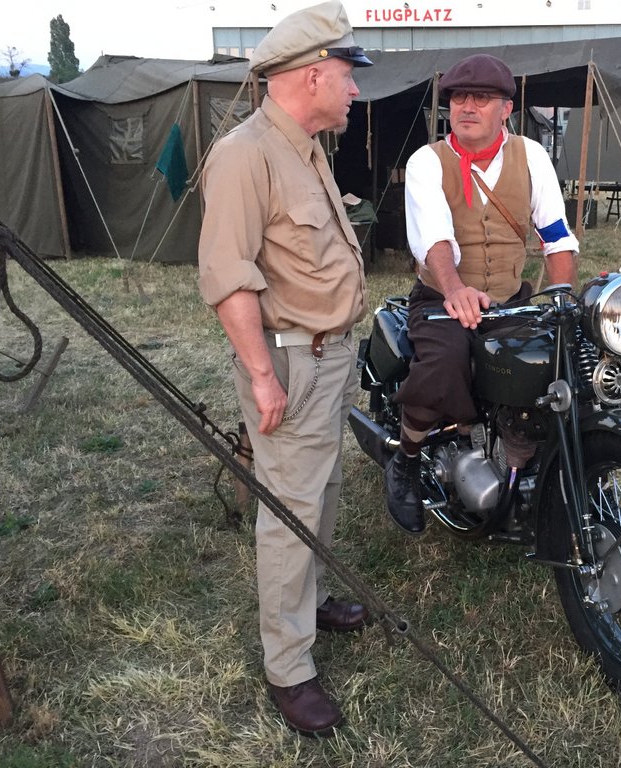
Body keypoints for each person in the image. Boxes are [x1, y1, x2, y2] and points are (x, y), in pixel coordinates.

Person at [197, 0, 372, 738]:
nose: (356, 89)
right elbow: (228, 277)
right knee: (290, 511)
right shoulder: (246, 154)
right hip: (293, 363)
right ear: (312, 75)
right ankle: (289, 667)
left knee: (320, 489)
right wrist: (262, 376)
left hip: (327, 355)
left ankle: (312, 600)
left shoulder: (303, 146)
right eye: (348, 75)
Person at [384, 53, 579, 535]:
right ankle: (407, 458)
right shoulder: (428, 160)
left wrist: (563, 299)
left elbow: (556, 235)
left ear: (506, 109)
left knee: (555, 363)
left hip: (510, 299)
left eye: (482, 98)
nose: (467, 107)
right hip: (441, 297)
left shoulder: (531, 156)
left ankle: (526, 458)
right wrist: (454, 290)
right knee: (445, 362)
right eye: (459, 98)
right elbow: (434, 237)